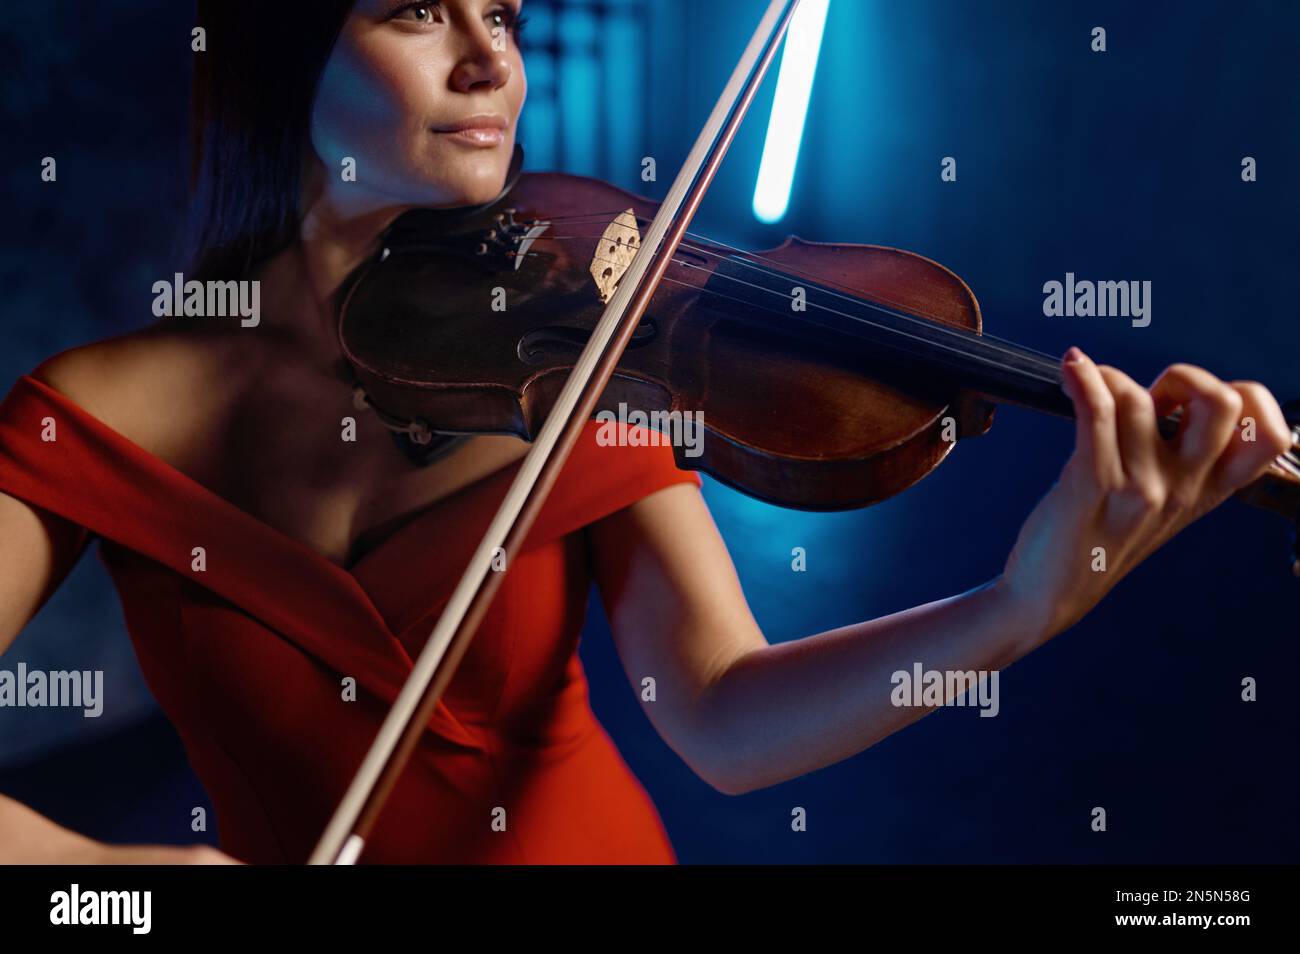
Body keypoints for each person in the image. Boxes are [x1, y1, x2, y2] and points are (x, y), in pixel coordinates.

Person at [0, 0, 1291, 864]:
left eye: (499, 13)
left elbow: (725, 720)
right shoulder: (100, 411)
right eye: (413, 11)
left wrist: (1018, 604)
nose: (487, 58)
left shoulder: (580, 347)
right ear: (277, 54)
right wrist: (111, 880)